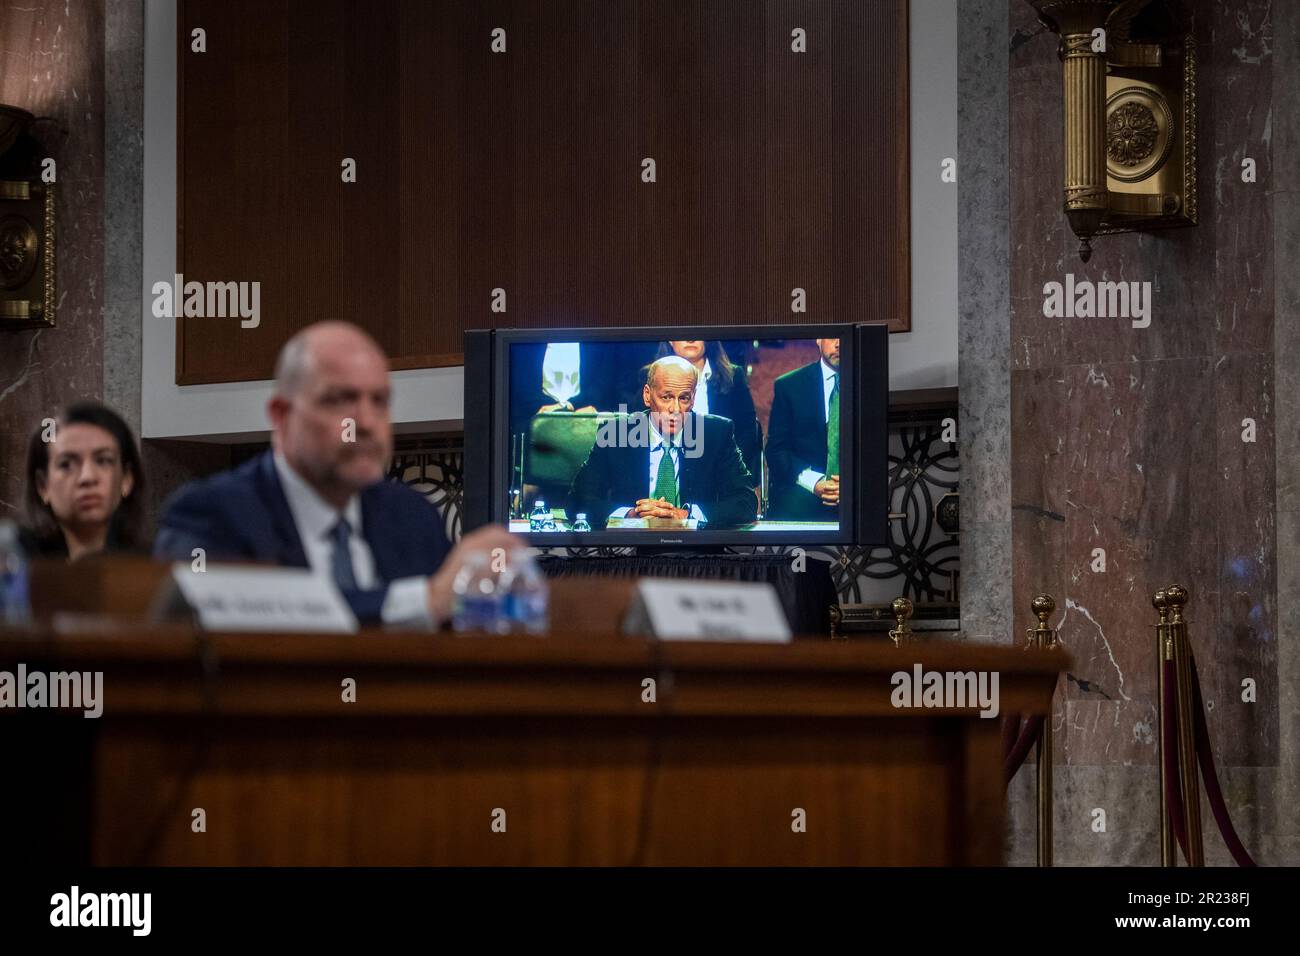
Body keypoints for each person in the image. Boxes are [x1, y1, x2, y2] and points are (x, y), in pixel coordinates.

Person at [154, 321, 516, 625]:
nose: (366, 423)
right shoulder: (213, 514)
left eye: (379, 401)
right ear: (281, 415)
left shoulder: (412, 516)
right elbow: (260, 624)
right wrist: (423, 600)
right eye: (339, 400)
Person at [567, 355, 756, 530]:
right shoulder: (616, 433)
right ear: (647, 395)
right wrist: (630, 515)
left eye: (683, 398)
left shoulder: (716, 433)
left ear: (693, 399)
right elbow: (578, 500)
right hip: (629, 550)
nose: (675, 409)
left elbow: (745, 502)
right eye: (666, 397)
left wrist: (687, 514)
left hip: (696, 551)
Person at [22, 401, 148, 560]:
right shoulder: (15, 573)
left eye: (103, 461)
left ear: (126, 479)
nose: (87, 477)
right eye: (66, 464)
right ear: (42, 485)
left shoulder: (160, 573)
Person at [655, 340, 762, 484]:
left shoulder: (733, 376)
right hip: (667, 469)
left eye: (697, 331)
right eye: (683, 332)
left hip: (721, 471)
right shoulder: (649, 376)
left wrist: (727, 466)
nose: (690, 339)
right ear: (670, 340)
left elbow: (747, 432)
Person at [766, 338, 842, 522]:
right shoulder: (789, 386)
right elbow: (777, 450)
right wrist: (815, 483)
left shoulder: (870, 382)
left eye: (844, 336)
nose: (839, 343)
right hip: (803, 491)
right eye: (833, 336)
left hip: (859, 494)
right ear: (819, 340)